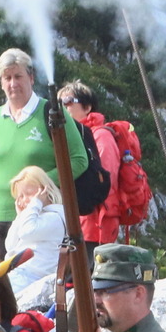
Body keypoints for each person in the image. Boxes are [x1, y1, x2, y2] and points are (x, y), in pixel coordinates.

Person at [0, 49, 88, 258]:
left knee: (26, 277)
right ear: (1, 82)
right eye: (7, 78)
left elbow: (79, 160)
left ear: (31, 78)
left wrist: (39, 186)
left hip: (34, 218)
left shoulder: (53, 114)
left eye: (18, 76)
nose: (13, 83)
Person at [57, 82, 124, 246]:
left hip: (94, 225)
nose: (62, 107)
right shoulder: (68, 138)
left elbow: (104, 180)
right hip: (73, 222)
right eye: (60, 103)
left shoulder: (101, 136)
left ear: (87, 107)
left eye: (68, 101)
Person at [2, 167, 64, 313]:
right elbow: (10, 244)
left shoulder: (55, 217)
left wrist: (35, 204)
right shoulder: (32, 218)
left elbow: (27, 232)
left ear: (44, 191)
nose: (24, 200)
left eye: (29, 194)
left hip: (34, 277)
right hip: (20, 274)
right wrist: (20, 217)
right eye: (20, 196)